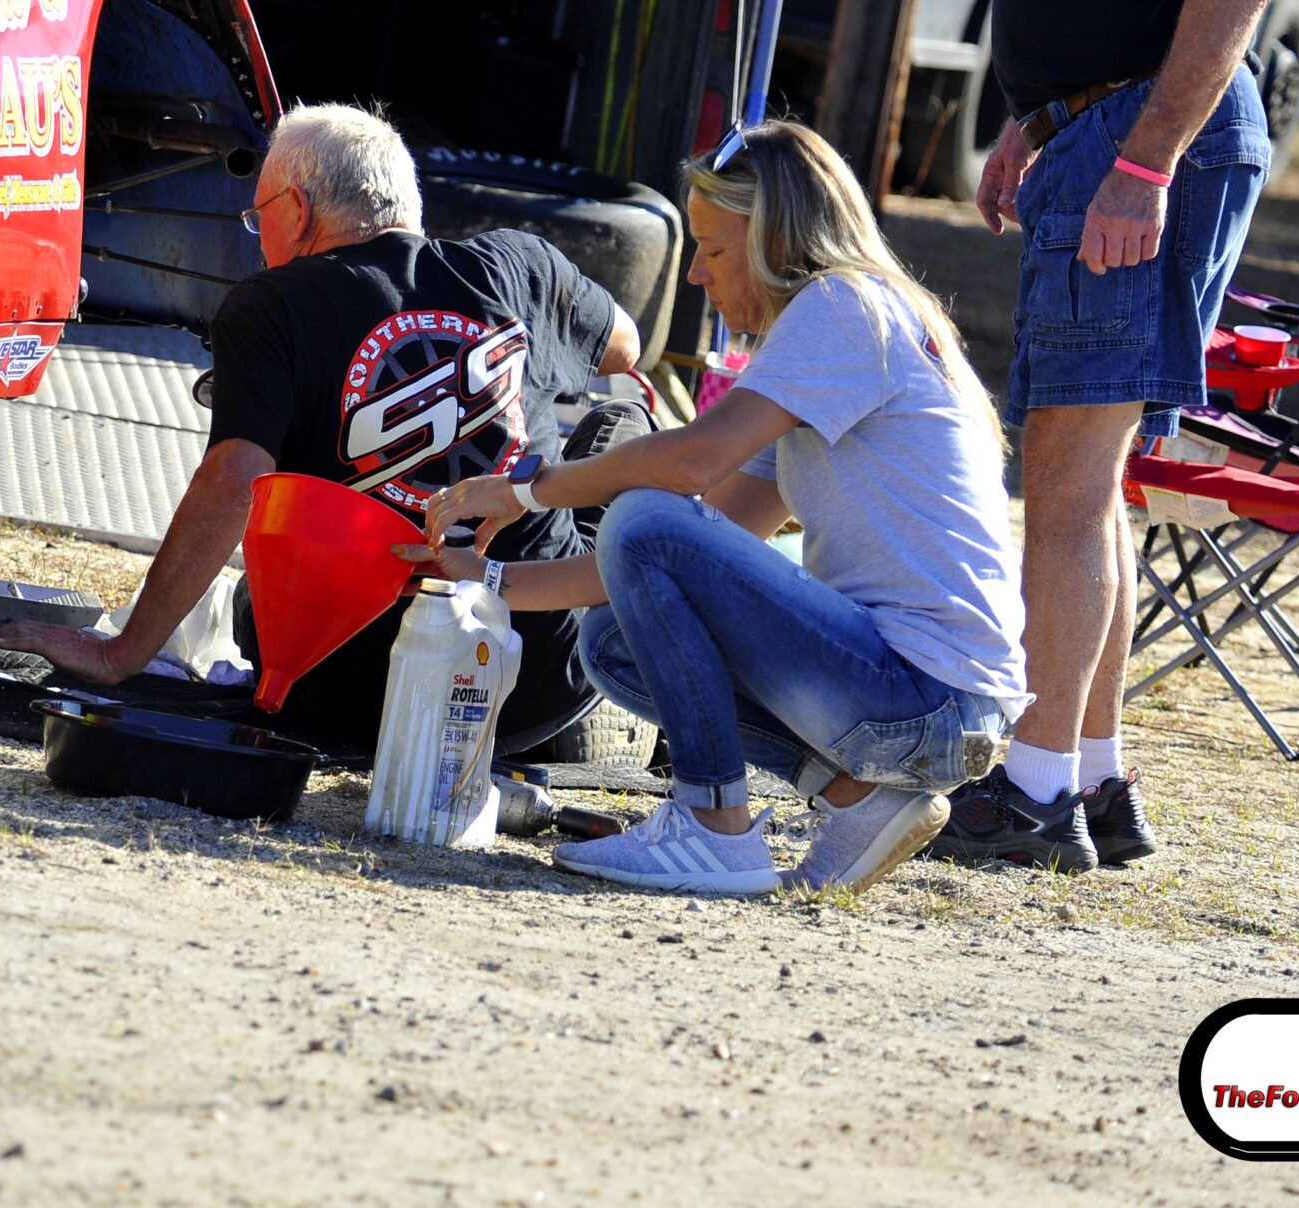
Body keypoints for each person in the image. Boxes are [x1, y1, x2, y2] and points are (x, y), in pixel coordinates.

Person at [414, 122, 1028, 897]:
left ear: (773, 237)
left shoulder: (840, 308)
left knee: (642, 516)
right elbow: (707, 542)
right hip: (935, 710)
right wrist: (489, 580)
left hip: (927, 702)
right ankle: (856, 799)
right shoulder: (847, 328)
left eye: (712, 247)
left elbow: (688, 469)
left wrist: (529, 488)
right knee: (612, 641)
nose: (698, 275)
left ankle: (710, 827)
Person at [929, 0, 1274, 872]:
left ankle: (1030, 792)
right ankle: (1094, 777)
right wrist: (1036, 116)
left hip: (1144, 145)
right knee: (1094, 484)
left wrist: (1138, 161)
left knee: (1064, 481)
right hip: (1097, 131)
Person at [0, 103, 645, 753]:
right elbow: (625, 349)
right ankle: (643, 668)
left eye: (257, 217)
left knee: (255, 597)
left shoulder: (271, 306)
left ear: (296, 211)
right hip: (540, 686)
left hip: (339, 693)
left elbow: (236, 480)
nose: (259, 237)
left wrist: (121, 654)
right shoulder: (521, 264)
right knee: (625, 418)